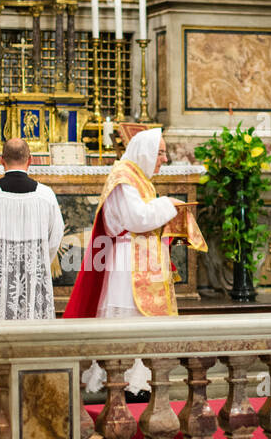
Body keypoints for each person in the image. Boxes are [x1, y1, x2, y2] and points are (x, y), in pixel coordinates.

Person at [64, 127, 205, 319]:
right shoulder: (124, 178)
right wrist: (167, 203)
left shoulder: (137, 177)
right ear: (145, 152)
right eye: (160, 153)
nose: (165, 159)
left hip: (139, 255)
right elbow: (137, 219)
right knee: (128, 317)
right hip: (129, 259)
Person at [0, 136, 64, 321]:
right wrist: (40, 261)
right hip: (33, 280)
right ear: (30, 160)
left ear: (2, 160)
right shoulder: (46, 196)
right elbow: (55, 237)